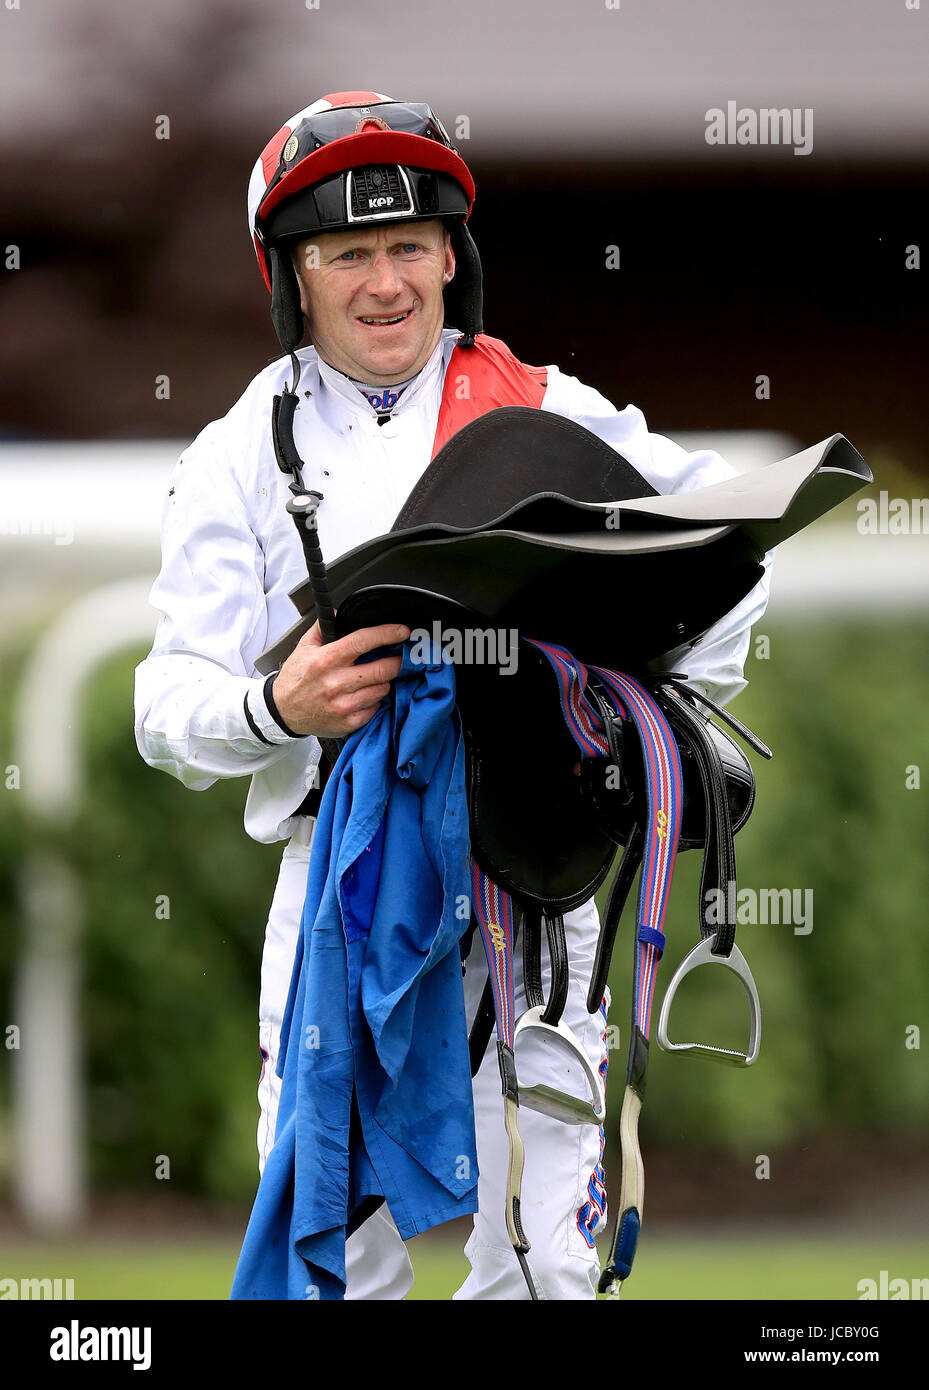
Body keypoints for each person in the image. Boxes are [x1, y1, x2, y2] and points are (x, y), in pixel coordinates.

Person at [134, 90, 771, 1300]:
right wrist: (281, 705)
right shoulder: (234, 454)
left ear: (450, 258)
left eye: (409, 247)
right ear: (294, 276)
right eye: (349, 252)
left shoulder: (550, 410)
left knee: (542, 1270)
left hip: (542, 896)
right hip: (340, 897)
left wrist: (633, 719)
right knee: (344, 1266)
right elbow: (163, 704)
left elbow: (729, 551)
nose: (386, 282)